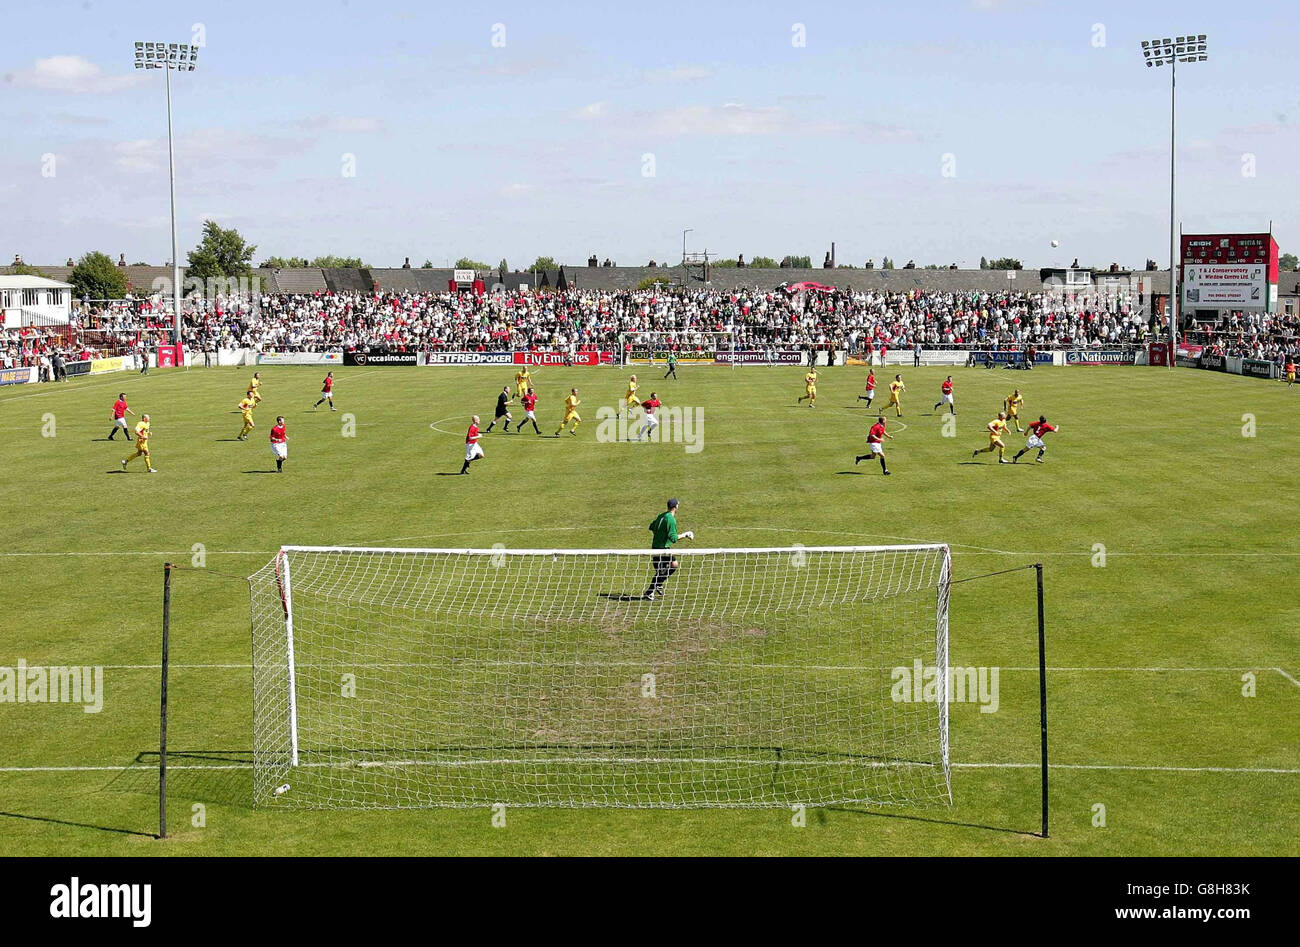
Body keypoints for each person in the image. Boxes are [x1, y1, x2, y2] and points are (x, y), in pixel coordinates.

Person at [643, 498, 693, 601]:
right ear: (675, 507)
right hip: (663, 549)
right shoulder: (671, 519)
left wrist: (660, 534)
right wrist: (685, 535)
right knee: (666, 569)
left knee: (666, 568)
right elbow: (673, 538)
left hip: (655, 547)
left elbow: (651, 527)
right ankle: (650, 591)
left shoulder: (662, 515)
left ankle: (658, 585)